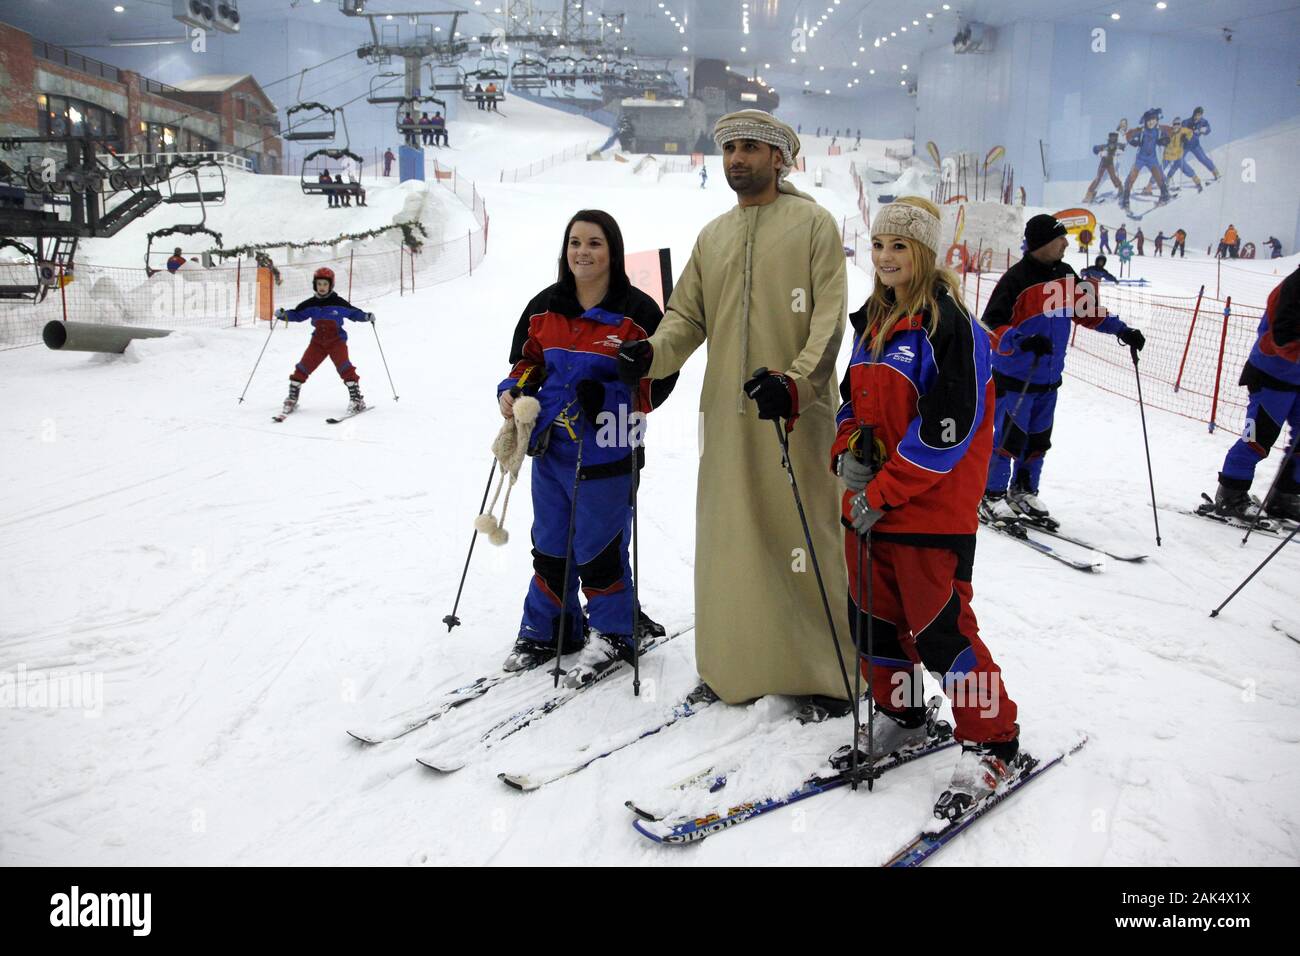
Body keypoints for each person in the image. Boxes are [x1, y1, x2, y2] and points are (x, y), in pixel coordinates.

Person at [615, 109, 854, 710]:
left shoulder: (814, 225)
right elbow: (686, 318)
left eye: (750, 148)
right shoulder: (713, 236)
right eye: (729, 150)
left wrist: (796, 385)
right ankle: (734, 668)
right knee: (730, 537)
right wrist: (650, 354)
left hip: (794, 416)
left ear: (780, 158)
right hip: (725, 413)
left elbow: (828, 322)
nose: (737, 160)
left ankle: (824, 673)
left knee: (803, 534)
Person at [831, 196, 1021, 818]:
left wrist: (880, 492)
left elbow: (950, 429)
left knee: (941, 630)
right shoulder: (872, 322)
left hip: (928, 512)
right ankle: (904, 712)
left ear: (925, 253)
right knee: (874, 622)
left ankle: (994, 738)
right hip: (871, 506)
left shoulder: (953, 327)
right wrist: (847, 451)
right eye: (879, 245)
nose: (886, 258)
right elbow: (849, 401)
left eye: (900, 246)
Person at [497, 211, 678, 682]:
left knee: (598, 544)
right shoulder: (544, 306)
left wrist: (615, 395)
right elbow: (525, 362)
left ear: (612, 252)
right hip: (551, 445)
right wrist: (511, 391)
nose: (583, 252)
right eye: (575, 242)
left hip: (609, 448)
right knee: (552, 543)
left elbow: (660, 380)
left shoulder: (638, 312)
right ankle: (550, 629)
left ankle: (615, 631)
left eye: (594, 243)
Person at [979, 214, 1146, 524]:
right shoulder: (1016, 279)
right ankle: (992, 495)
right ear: (1042, 243)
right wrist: (1021, 340)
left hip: (1048, 378)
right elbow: (990, 326)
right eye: (1060, 239)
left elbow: (1090, 312)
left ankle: (1024, 491)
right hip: (1016, 377)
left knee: (1038, 439)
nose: (1066, 243)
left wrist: (1123, 330)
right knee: (1009, 439)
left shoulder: (1067, 276)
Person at [1211, 267, 1300, 521]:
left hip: (1297, 377)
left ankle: (1286, 496)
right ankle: (1230, 494)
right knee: (1257, 437)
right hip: (1271, 373)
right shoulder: (1294, 287)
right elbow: (1282, 336)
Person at [275, 267, 373, 416]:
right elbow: (297, 314)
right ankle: (292, 398)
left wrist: (366, 316)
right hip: (318, 342)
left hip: (336, 341)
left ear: (331, 285)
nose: (322, 287)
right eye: (319, 284)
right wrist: (284, 315)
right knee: (303, 367)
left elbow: (353, 313)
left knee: (344, 367)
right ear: (315, 285)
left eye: (325, 284)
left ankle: (357, 399)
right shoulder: (310, 304)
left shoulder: (338, 303)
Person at [1120, 108, 1170, 210]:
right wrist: (1133, 142)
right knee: (1132, 176)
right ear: (1145, 121)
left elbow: (1165, 137)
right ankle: (1126, 197)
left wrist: (1164, 141)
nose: (1151, 122)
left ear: (1157, 120)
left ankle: (1165, 194)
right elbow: (1128, 136)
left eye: (1154, 120)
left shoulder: (1158, 131)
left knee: (1158, 176)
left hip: (1152, 158)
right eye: (1149, 120)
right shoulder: (1142, 130)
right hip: (1141, 158)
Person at [1082, 128, 1126, 204]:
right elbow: (1095, 148)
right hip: (1103, 163)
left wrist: (1120, 151)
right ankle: (1089, 195)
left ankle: (1121, 189)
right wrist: (1100, 153)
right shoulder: (1105, 146)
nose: (1113, 139)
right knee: (1098, 178)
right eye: (1111, 138)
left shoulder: (1117, 146)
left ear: (1116, 139)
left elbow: (1123, 147)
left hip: (1110, 164)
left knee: (1113, 177)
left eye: (1114, 138)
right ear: (1109, 139)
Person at [1183, 107, 1221, 181]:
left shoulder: (1203, 122)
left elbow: (1208, 129)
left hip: (1195, 145)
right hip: (1185, 145)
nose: (1197, 117)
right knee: (1178, 160)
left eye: (1200, 115)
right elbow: (1181, 130)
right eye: (1196, 115)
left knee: (1203, 158)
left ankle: (1215, 172)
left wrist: (1205, 130)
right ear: (1193, 114)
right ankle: (1168, 178)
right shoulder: (1187, 122)